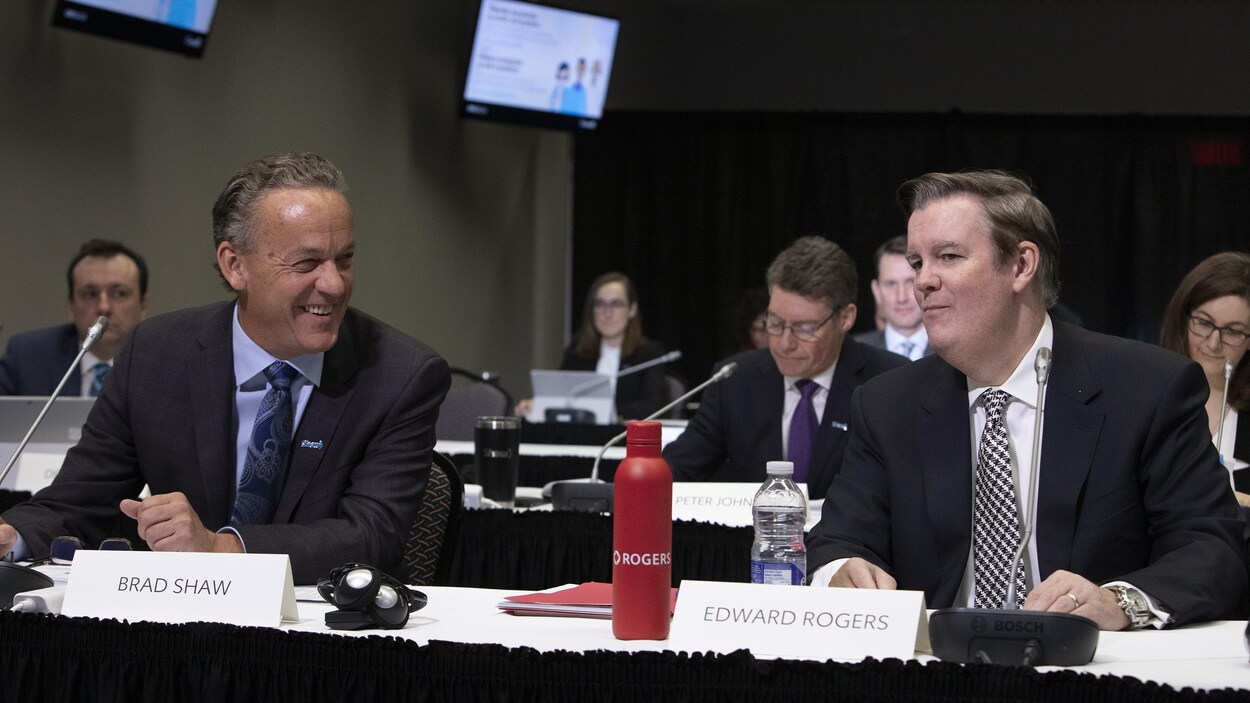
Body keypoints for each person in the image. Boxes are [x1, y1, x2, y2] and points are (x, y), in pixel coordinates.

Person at [807, 170, 1247, 630]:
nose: (923, 282)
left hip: (1088, 671)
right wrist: (840, 572)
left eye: (949, 257)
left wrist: (1119, 602)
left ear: (1021, 265)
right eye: (917, 263)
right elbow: (836, 541)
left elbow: (1212, 547)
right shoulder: (886, 405)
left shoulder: (1147, 389)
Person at [0, 152, 451, 584]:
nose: (334, 284)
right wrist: (11, 536)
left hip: (325, 634)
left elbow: (371, 534)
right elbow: (81, 501)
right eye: (307, 263)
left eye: (345, 260)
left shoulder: (400, 374)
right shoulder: (157, 354)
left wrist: (222, 549)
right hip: (177, 628)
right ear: (234, 265)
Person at [664, 236, 907, 501]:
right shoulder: (735, 380)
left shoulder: (889, 382)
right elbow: (676, 470)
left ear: (845, 318)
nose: (784, 343)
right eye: (775, 323)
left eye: (804, 328)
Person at [0, 239, 150, 397]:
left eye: (119, 293)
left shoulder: (165, 363)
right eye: (90, 294)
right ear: (71, 307)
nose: (104, 307)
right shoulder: (27, 356)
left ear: (143, 306)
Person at [1160, 251, 1250, 505]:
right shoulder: (1145, 399)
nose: (1213, 343)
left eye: (1233, 331)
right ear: (1183, 318)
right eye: (1204, 323)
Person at [518, 272, 670, 422]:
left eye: (616, 304)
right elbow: (562, 396)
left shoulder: (649, 354)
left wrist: (605, 413)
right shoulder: (577, 350)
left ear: (632, 310)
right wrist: (536, 405)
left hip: (624, 438)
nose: (607, 313)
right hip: (579, 438)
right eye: (600, 304)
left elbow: (652, 406)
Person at [854, 235, 930, 360]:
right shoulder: (852, 353)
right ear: (876, 291)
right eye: (891, 284)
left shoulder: (954, 350)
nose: (901, 298)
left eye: (910, 282)